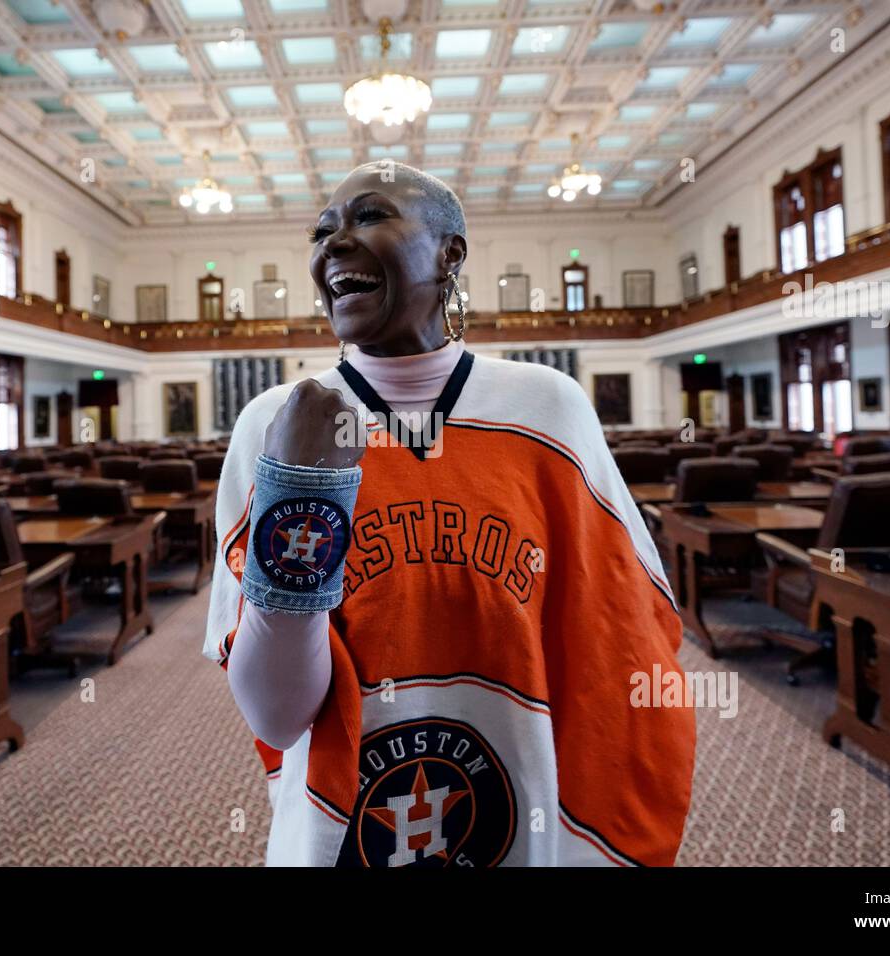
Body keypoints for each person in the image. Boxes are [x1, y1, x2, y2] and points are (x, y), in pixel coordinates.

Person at [204, 163, 694, 867]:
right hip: (338, 822)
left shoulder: (549, 410)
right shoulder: (270, 424)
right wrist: (299, 496)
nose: (334, 243)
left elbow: (616, 647)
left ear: (449, 253)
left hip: (524, 802)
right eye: (321, 232)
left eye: (369, 218)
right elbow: (278, 718)